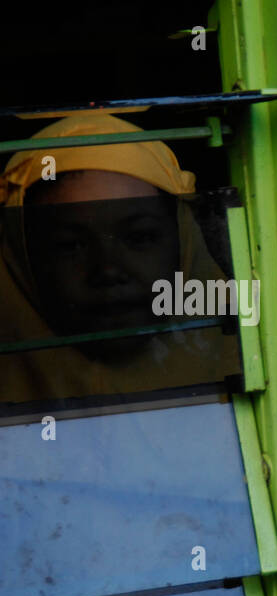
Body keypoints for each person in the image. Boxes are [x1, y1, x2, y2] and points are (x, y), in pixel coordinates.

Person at [0, 114, 238, 405]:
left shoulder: (265, 378)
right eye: (70, 245)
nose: (108, 270)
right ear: (21, 259)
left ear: (184, 242)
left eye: (140, 237)